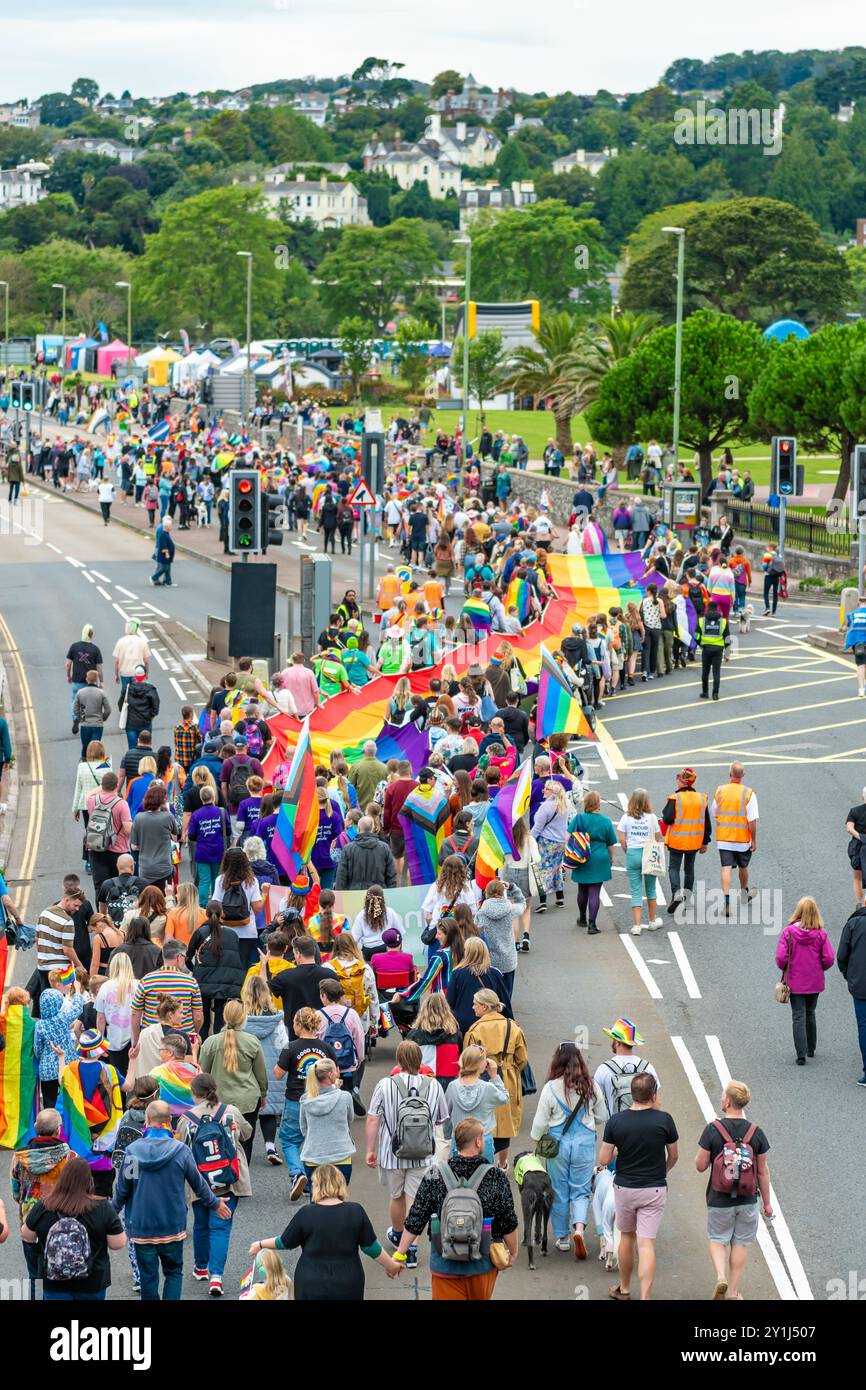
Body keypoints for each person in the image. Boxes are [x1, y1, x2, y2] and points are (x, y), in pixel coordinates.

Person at [115, 1099, 231, 1300]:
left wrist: (107, 1215)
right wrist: (215, 1203)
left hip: (142, 1228)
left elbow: (124, 1190)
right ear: (169, 1120)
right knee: (173, 1273)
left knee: (148, 1278)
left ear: (147, 1120)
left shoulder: (133, 1152)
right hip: (172, 1228)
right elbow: (199, 1184)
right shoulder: (180, 1151)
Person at [395, 1117, 518, 1299]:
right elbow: (508, 1221)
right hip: (481, 1265)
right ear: (477, 1141)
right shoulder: (494, 1177)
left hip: (444, 1265)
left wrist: (399, 1254)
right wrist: (513, 1252)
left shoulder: (435, 1175)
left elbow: (415, 1219)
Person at [250, 1164, 400, 1299]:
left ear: (316, 1186)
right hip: (348, 1282)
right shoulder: (355, 1211)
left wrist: (260, 1244)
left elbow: (285, 1242)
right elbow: (371, 1247)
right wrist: (391, 1266)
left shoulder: (306, 1213)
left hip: (310, 1282)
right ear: (340, 1184)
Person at [365, 1039, 449, 1267]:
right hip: (422, 1152)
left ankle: (399, 1234)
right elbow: (441, 1119)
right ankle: (410, 1248)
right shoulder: (434, 1086)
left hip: (392, 1152)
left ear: (398, 1060)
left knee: (397, 1196)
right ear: (420, 1061)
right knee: (415, 1199)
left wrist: (370, 1150)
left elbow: (373, 1118)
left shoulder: (385, 1084)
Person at [597, 1071, 679, 1301]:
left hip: (624, 1188)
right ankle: (645, 1296)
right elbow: (673, 1155)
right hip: (654, 1188)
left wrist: (618, 1148)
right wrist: (662, 1171)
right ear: (653, 1094)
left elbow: (603, 1160)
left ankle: (624, 1288)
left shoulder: (616, 1122)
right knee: (646, 1243)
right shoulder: (664, 1120)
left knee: (627, 1237)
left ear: (632, 1094)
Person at [174, 1072, 252, 1297]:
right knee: (221, 1226)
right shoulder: (231, 1111)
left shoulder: (187, 1119)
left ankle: (201, 1267)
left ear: (194, 1094)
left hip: (200, 1180)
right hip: (230, 1179)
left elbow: (180, 1147)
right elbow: (246, 1134)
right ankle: (216, 1276)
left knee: (201, 1223)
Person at [695, 1080, 772, 1301]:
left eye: (722, 1096)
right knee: (740, 1243)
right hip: (748, 1200)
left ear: (728, 1101)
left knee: (718, 1239)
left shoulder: (712, 1129)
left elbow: (700, 1166)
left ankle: (721, 1277)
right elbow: (762, 1172)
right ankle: (733, 1292)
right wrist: (766, 1204)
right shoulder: (756, 1133)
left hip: (719, 1198)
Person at [530, 1043, 607, 1255]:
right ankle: (579, 1230)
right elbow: (603, 1116)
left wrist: (537, 1140)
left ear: (558, 1061)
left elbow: (539, 1124)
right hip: (584, 1142)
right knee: (581, 1190)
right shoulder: (591, 1086)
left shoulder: (551, 1088)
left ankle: (563, 1237)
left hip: (558, 1144)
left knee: (559, 1190)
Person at [21, 1155, 126, 1302]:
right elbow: (118, 1243)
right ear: (89, 1180)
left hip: (53, 1282)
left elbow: (27, 1236)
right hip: (92, 1282)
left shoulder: (43, 1206)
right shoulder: (102, 1208)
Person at [464, 990, 527, 1172]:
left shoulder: (475, 1030)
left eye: (475, 1003)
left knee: (483, 1121)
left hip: (482, 1078)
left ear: (484, 1006)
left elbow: (468, 1059)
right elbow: (522, 1058)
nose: (473, 1007)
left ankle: (483, 1165)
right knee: (505, 1122)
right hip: (507, 1076)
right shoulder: (512, 1027)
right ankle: (502, 1164)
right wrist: (510, 1069)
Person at [10, 1108, 71, 1297]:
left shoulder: (20, 1157)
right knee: (60, 1272)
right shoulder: (68, 1157)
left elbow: (15, 1193)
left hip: (30, 1223)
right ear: (58, 1130)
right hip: (60, 1223)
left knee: (34, 1273)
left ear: (36, 1128)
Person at [198, 1000, 268, 1161]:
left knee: (219, 1142)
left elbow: (203, 1073)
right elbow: (261, 1074)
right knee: (245, 1143)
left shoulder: (211, 1042)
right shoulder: (252, 1041)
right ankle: (243, 1179)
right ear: (244, 1018)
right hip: (248, 1099)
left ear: (224, 1016)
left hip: (218, 1102)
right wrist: (263, 1095)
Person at [774, 897, 835, 1065]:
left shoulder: (789, 932)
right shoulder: (821, 933)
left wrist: (786, 967)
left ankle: (801, 1054)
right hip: (814, 982)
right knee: (810, 1012)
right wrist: (819, 968)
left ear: (798, 912)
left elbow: (780, 958)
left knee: (798, 1016)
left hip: (795, 981)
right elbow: (829, 958)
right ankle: (811, 1048)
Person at [242, 974, 288, 1165]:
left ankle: (244, 1149)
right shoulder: (276, 1019)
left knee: (247, 1112)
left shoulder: (241, 1020)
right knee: (268, 1110)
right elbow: (283, 1044)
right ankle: (270, 1145)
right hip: (271, 1070)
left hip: (246, 1070)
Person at [445, 1044, 508, 1163]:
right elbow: (504, 1098)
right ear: (482, 1065)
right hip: (482, 1140)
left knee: (458, 1178)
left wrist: (448, 1135)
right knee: (484, 1177)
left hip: (459, 1140)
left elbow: (447, 1115)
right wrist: (494, 1076)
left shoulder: (452, 1087)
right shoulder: (488, 1088)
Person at [660, 768, 712, 913]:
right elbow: (706, 822)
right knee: (689, 869)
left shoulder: (675, 798)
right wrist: (705, 842)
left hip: (677, 840)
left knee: (674, 868)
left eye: (678, 779)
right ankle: (687, 900)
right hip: (694, 841)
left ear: (682, 781)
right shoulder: (702, 798)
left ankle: (676, 894)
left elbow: (668, 819)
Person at [711, 762, 758, 919]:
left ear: (729, 774)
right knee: (743, 867)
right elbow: (752, 821)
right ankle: (744, 892)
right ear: (743, 776)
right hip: (742, 839)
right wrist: (754, 840)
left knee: (726, 868)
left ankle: (726, 903)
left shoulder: (720, 791)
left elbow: (715, 812)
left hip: (724, 838)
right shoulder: (749, 793)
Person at [267, 935, 339, 1036]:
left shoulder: (285, 976)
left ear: (298, 954)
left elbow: (263, 989)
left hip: (294, 1036)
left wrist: (263, 966)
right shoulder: (330, 974)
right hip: (323, 1033)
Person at [568, 790, 617, 936]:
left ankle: (582, 918)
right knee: (595, 891)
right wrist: (611, 858)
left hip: (581, 855)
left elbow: (567, 837)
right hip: (599, 857)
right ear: (598, 804)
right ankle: (592, 924)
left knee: (582, 888)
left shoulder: (579, 819)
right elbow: (610, 844)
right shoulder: (606, 821)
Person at [300, 1056, 355, 1184]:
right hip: (341, 1155)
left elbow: (303, 1128)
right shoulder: (345, 1097)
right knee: (339, 1199)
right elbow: (349, 1120)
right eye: (336, 1070)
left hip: (313, 1156)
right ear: (330, 1075)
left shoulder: (306, 1100)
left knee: (316, 1199)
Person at [593, 1017, 660, 1118]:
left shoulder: (604, 1069)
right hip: (645, 1128)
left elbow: (595, 1103)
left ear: (617, 1042)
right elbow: (656, 1104)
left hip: (616, 1128)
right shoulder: (647, 1067)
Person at [617, 788, 663, 935]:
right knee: (651, 889)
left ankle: (637, 926)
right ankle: (652, 921)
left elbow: (622, 839)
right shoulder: (652, 817)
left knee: (636, 890)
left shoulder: (626, 818)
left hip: (633, 854)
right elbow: (657, 837)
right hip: (648, 854)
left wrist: (628, 850)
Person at [475, 879, 525, 996]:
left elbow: (476, 932)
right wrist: (512, 887)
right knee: (506, 995)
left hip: (489, 960)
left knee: (491, 995)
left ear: (486, 893)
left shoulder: (481, 913)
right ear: (502, 893)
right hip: (508, 959)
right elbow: (522, 903)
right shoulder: (511, 910)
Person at [837, 903, 866, 1086]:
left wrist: (849, 975)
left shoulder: (854, 923)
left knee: (864, 1026)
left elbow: (842, 955)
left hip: (861, 985)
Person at [532, 780, 569, 913]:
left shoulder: (546, 807)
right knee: (557, 868)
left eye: (546, 789)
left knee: (543, 869)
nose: (543, 791)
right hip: (561, 842)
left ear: (552, 792)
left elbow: (537, 827)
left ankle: (543, 900)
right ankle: (560, 897)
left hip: (547, 842)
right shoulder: (564, 804)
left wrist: (529, 840)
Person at [334, 814, 396, 890]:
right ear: (373, 829)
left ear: (358, 829)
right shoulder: (384, 848)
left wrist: (341, 898)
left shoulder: (348, 849)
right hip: (378, 894)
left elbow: (341, 877)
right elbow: (391, 876)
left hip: (354, 895)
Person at [66, 624, 103, 722]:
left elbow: (68, 664)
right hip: (90, 681)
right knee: (89, 701)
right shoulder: (95, 649)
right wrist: (101, 681)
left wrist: (68, 676)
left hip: (77, 680)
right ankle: (86, 719)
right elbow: (99, 667)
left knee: (74, 700)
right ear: (91, 635)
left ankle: (75, 718)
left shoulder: (74, 646)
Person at [118, 665, 160, 752]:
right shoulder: (150, 689)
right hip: (145, 723)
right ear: (144, 675)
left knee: (132, 749)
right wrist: (150, 716)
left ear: (135, 675)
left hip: (131, 723)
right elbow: (155, 707)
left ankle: (133, 764)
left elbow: (120, 704)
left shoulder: (127, 688)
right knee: (146, 749)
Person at [696, 599, 730, 701]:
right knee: (716, 672)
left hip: (706, 649)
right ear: (717, 609)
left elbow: (696, 635)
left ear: (708, 608)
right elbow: (727, 638)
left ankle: (705, 692)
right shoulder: (723, 621)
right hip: (718, 649)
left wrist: (700, 644)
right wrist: (727, 654)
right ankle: (715, 694)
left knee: (705, 672)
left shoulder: (701, 620)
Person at [151, 514, 176, 587]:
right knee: (161, 566)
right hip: (160, 550)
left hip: (162, 550)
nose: (171, 523)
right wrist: (165, 552)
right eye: (169, 521)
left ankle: (167, 581)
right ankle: (155, 579)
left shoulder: (164, 529)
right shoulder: (161, 530)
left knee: (165, 566)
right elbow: (161, 542)